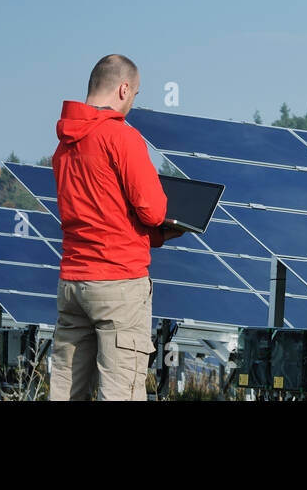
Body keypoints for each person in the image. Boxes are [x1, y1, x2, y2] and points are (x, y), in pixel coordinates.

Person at [48, 53, 182, 400]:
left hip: (73, 281)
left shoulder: (65, 144)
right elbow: (153, 211)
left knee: (65, 390)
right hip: (118, 284)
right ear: (124, 89)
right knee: (120, 390)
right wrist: (162, 230)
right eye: (135, 95)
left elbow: (96, 213)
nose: (132, 104)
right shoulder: (121, 137)